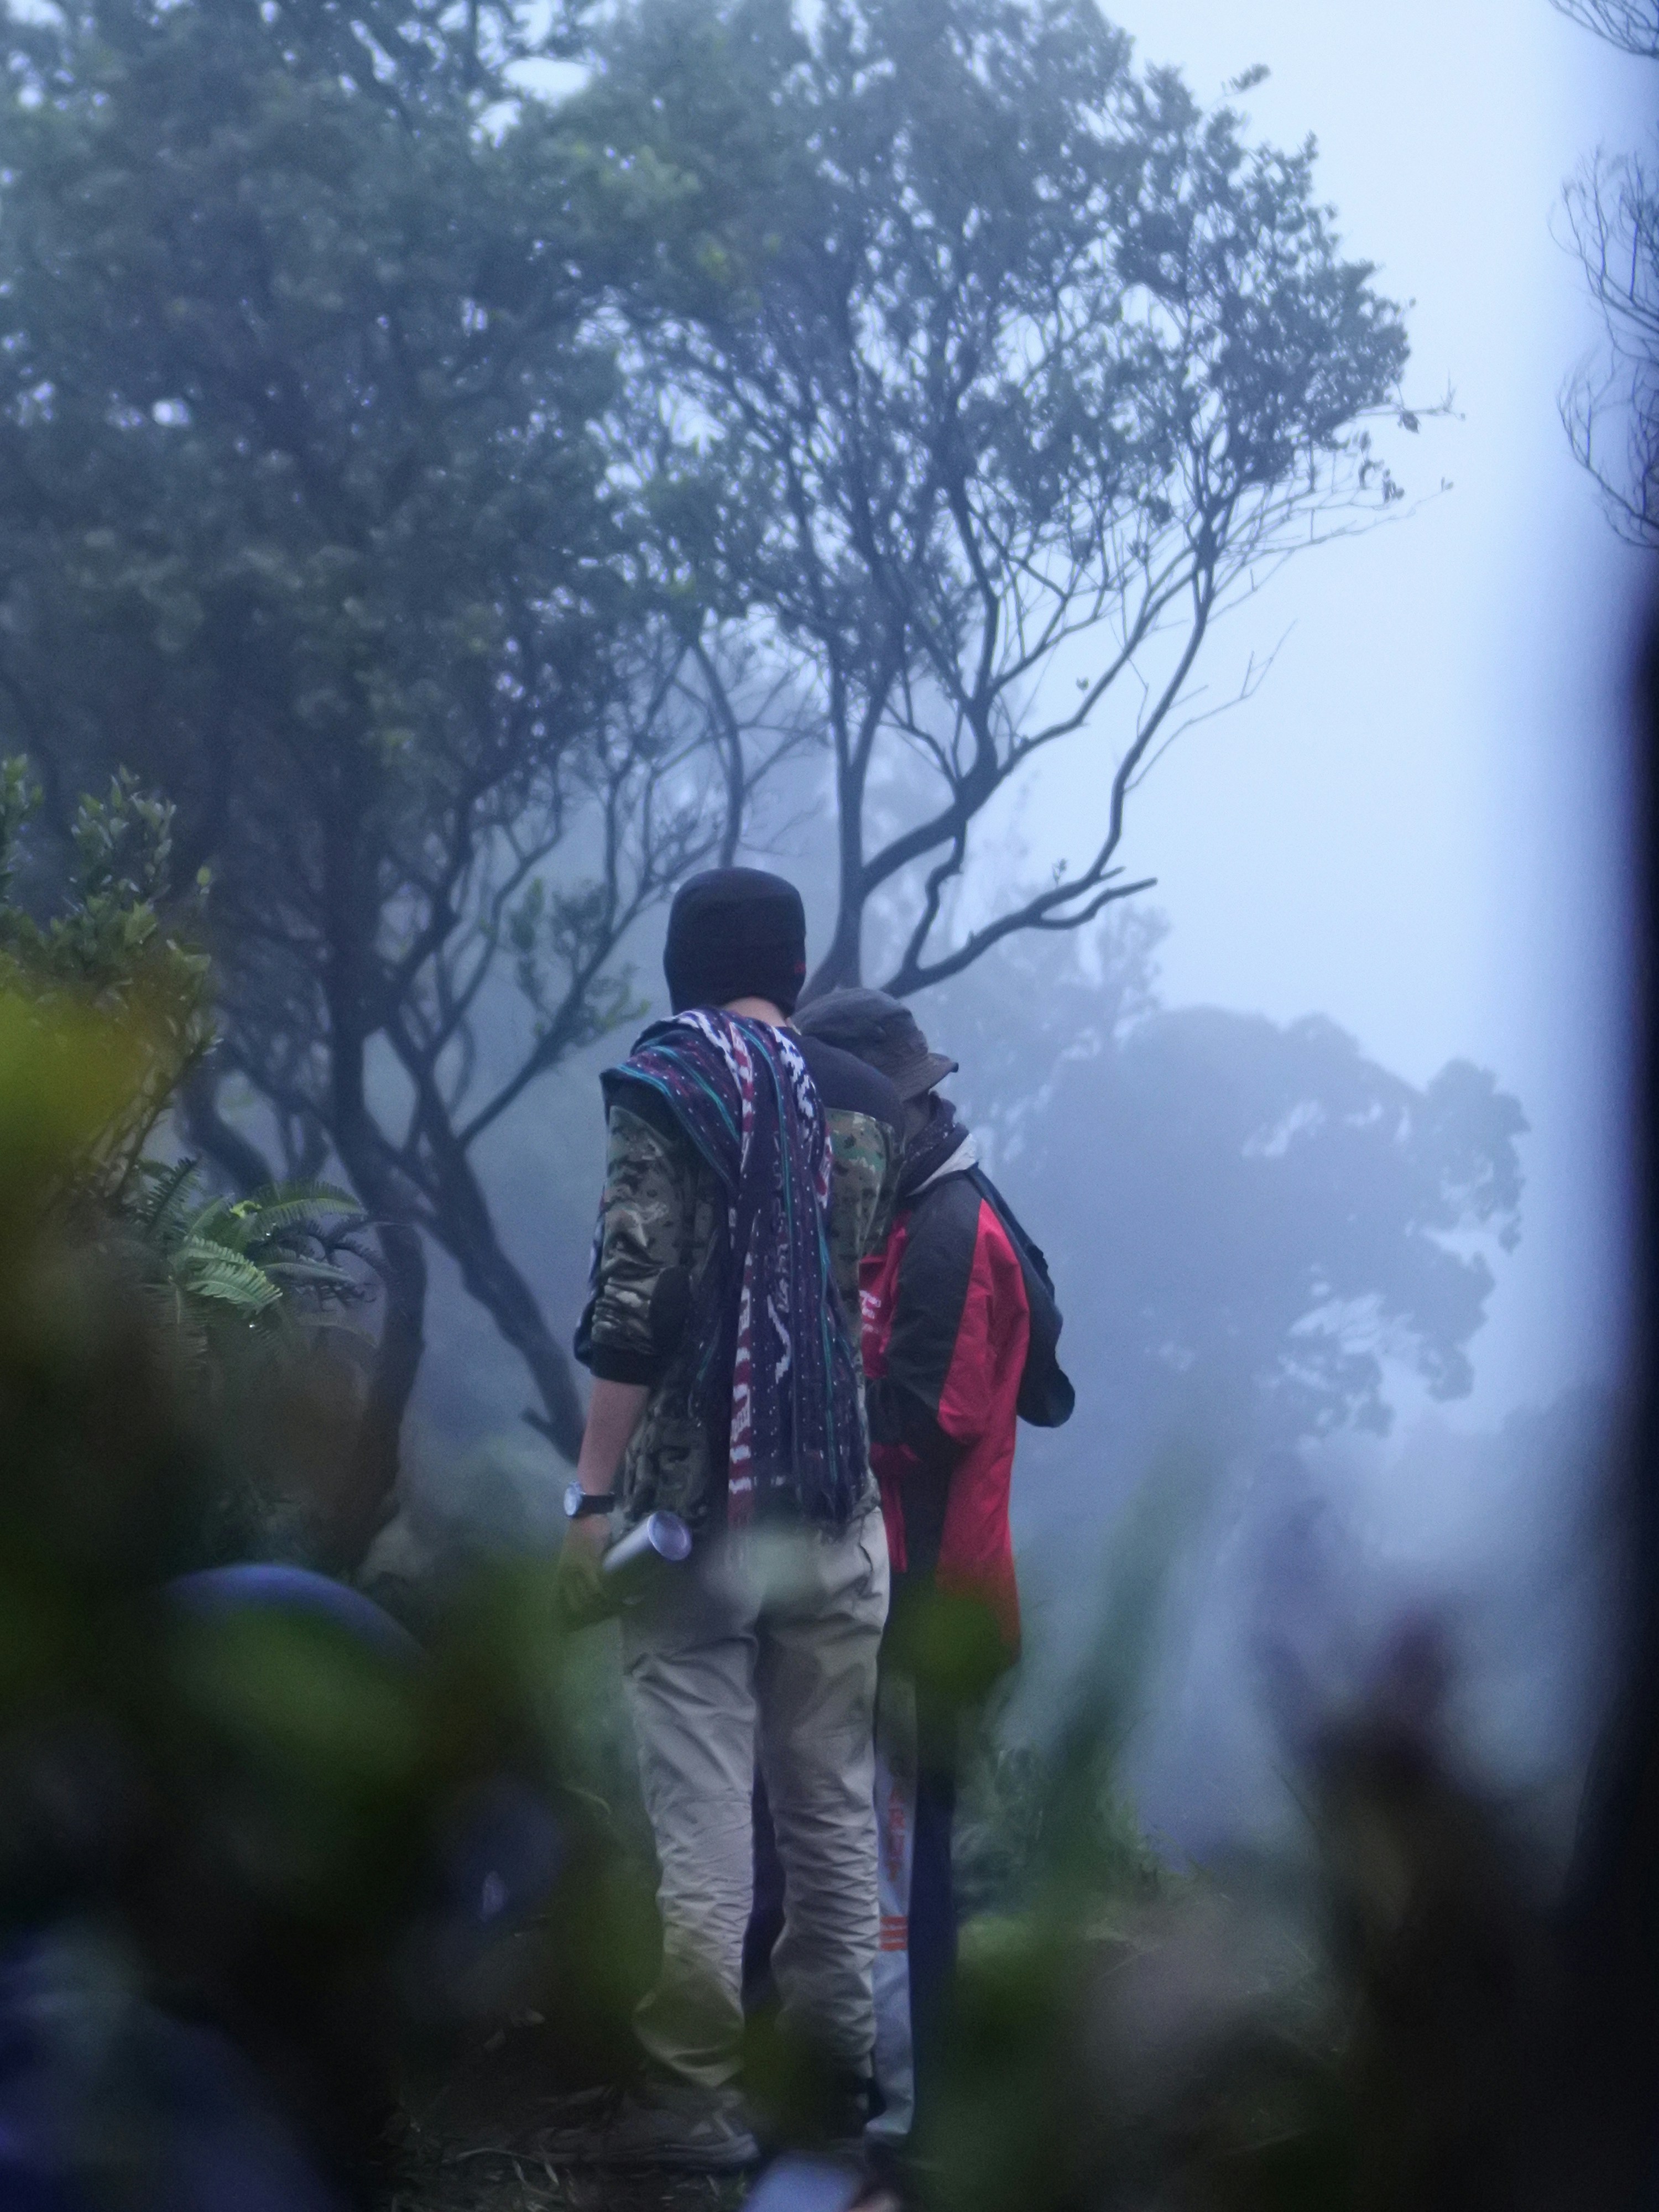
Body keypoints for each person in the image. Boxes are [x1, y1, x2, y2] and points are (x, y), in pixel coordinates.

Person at [557, 869, 902, 2171]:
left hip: (698, 1516)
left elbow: (634, 1297)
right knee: (830, 1813)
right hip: (834, 1502)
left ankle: (695, 2104)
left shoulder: (673, 1077)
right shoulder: (863, 1106)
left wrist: (592, 1499)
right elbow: (844, 1291)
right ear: (797, 969)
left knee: (705, 1821)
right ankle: (832, 2096)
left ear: (683, 965)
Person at [793, 987, 1073, 2150]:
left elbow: (923, 1414)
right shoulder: (910, 1208)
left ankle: (903, 2133)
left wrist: (775, 1395)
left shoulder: (954, 1223)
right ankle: (889, 2109)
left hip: (926, 1605)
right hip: (885, 1594)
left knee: (900, 1882)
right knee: (872, 1862)